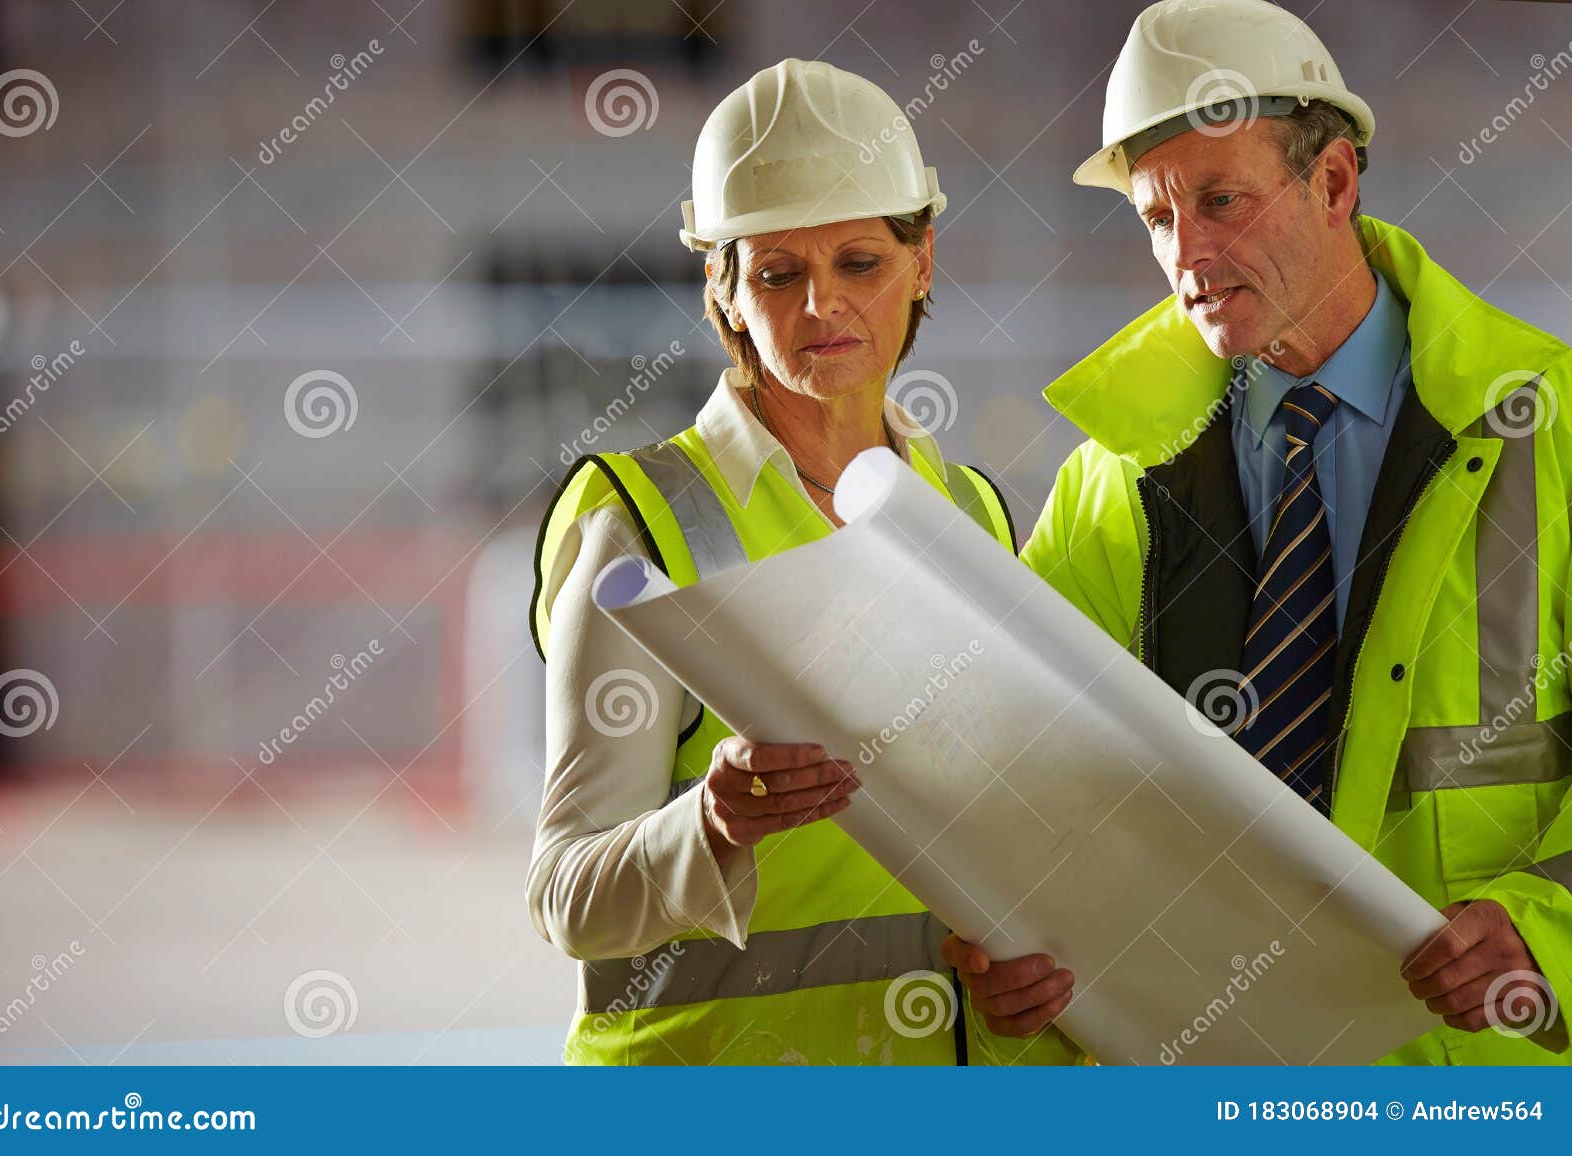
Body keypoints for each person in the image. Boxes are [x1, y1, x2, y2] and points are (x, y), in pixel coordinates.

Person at [944, 0, 1572, 1065]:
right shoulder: (1110, 484)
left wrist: (1547, 934)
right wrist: (1018, 956)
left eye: (1219, 200)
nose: (1187, 254)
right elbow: (1038, 799)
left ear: (1332, 182)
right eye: (1154, 217)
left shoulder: (1545, 434)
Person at [527, 58, 1070, 1065]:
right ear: (724, 290)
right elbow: (565, 897)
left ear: (922, 261)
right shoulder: (646, 522)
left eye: (858, 262)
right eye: (778, 272)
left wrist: (1034, 971)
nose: (821, 305)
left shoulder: (973, 518)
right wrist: (714, 824)